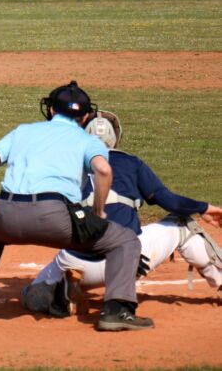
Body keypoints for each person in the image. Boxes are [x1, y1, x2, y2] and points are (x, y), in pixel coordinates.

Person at [0, 81, 154, 331]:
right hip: (57, 218)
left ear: (51, 110)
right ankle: (117, 310)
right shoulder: (87, 139)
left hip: (7, 214)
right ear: (86, 116)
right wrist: (98, 213)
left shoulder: (23, 131)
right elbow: (103, 169)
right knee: (125, 241)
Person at [21, 110, 222, 315]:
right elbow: (170, 202)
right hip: (127, 260)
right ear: (115, 137)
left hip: (78, 263)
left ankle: (61, 289)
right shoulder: (131, 163)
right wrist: (204, 208)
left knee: (33, 293)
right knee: (182, 225)